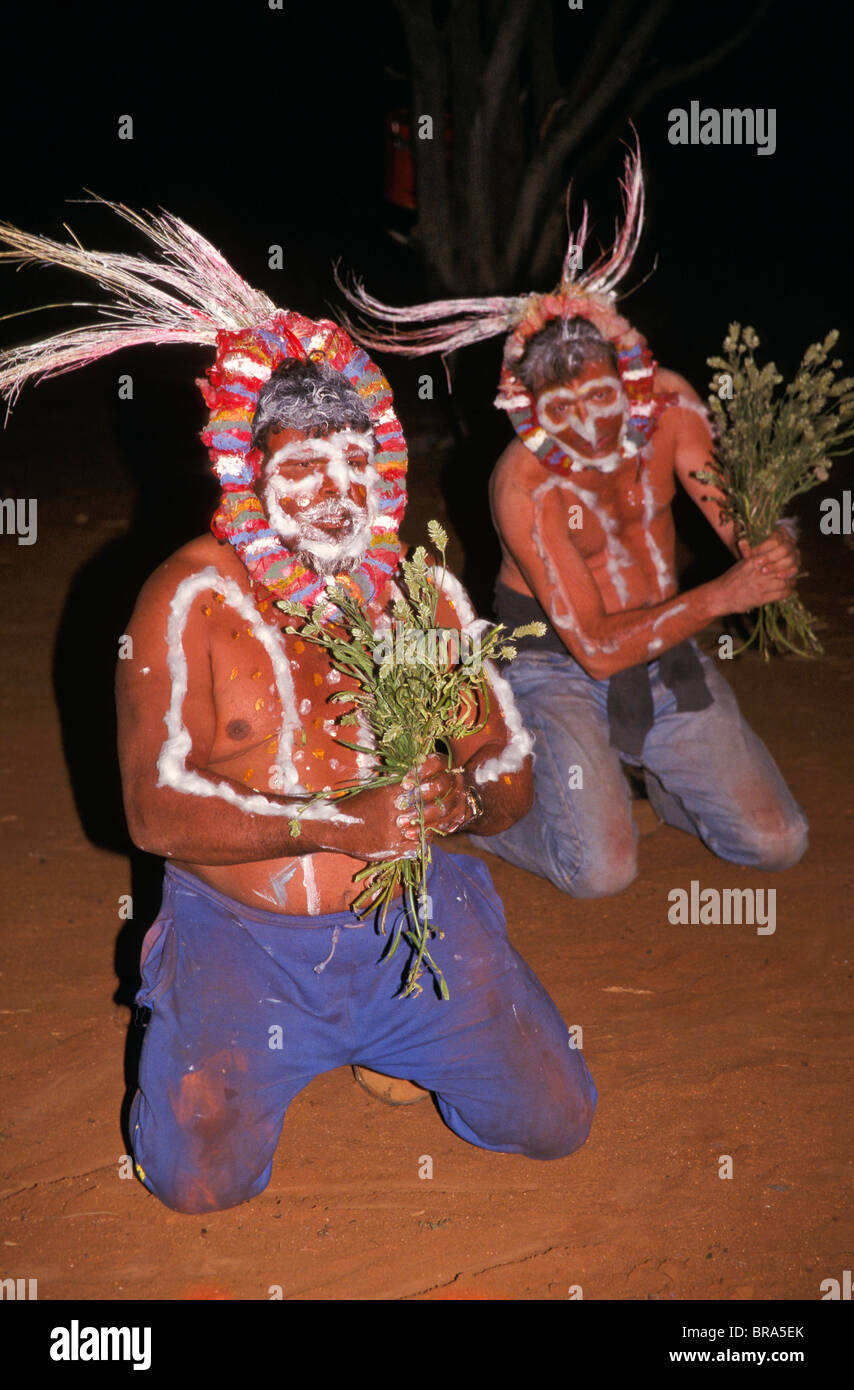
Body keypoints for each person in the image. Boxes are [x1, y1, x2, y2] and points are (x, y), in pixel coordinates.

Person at [0, 206, 596, 1213]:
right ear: (247, 474)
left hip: (406, 926)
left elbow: (508, 770)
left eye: (353, 467)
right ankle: (226, 1028)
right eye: (302, 471)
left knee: (554, 1121)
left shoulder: (419, 599)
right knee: (194, 1182)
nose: (333, 496)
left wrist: (467, 799)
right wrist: (340, 820)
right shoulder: (185, 599)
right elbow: (148, 811)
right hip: (242, 938)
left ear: (382, 469)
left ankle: (396, 1037)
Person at [338, 145, 808, 898]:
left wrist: (771, 545)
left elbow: (742, 523)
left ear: (630, 379)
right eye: (560, 413)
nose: (585, 427)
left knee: (776, 843)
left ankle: (655, 787)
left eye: (597, 400)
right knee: (599, 872)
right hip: (560, 662)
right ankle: (484, 813)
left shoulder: (674, 406)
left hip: (667, 648)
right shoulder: (524, 484)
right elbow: (591, 649)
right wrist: (724, 597)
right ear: (529, 409)